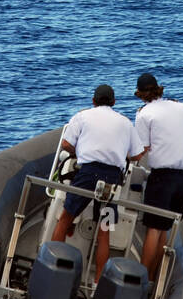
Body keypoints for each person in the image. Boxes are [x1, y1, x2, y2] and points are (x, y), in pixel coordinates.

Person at [50, 84, 145, 281]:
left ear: (93, 101)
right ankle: (98, 280)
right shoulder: (125, 123)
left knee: (65, 218)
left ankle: (53, 267)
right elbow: (137, 154)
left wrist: (80, 152)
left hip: (87, 174)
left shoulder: (83, 116)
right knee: (104, 230)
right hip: (112, 179)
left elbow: (66, 144)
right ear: (114, 102)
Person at [133, 73, 183, 284]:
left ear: (140, 94)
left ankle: (142, 280)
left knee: (153, 229)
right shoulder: (181, 107)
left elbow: (142, 149)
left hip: (162, 177)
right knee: (164, 228)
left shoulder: (144, 114)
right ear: (158, 89)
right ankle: (154, 280)